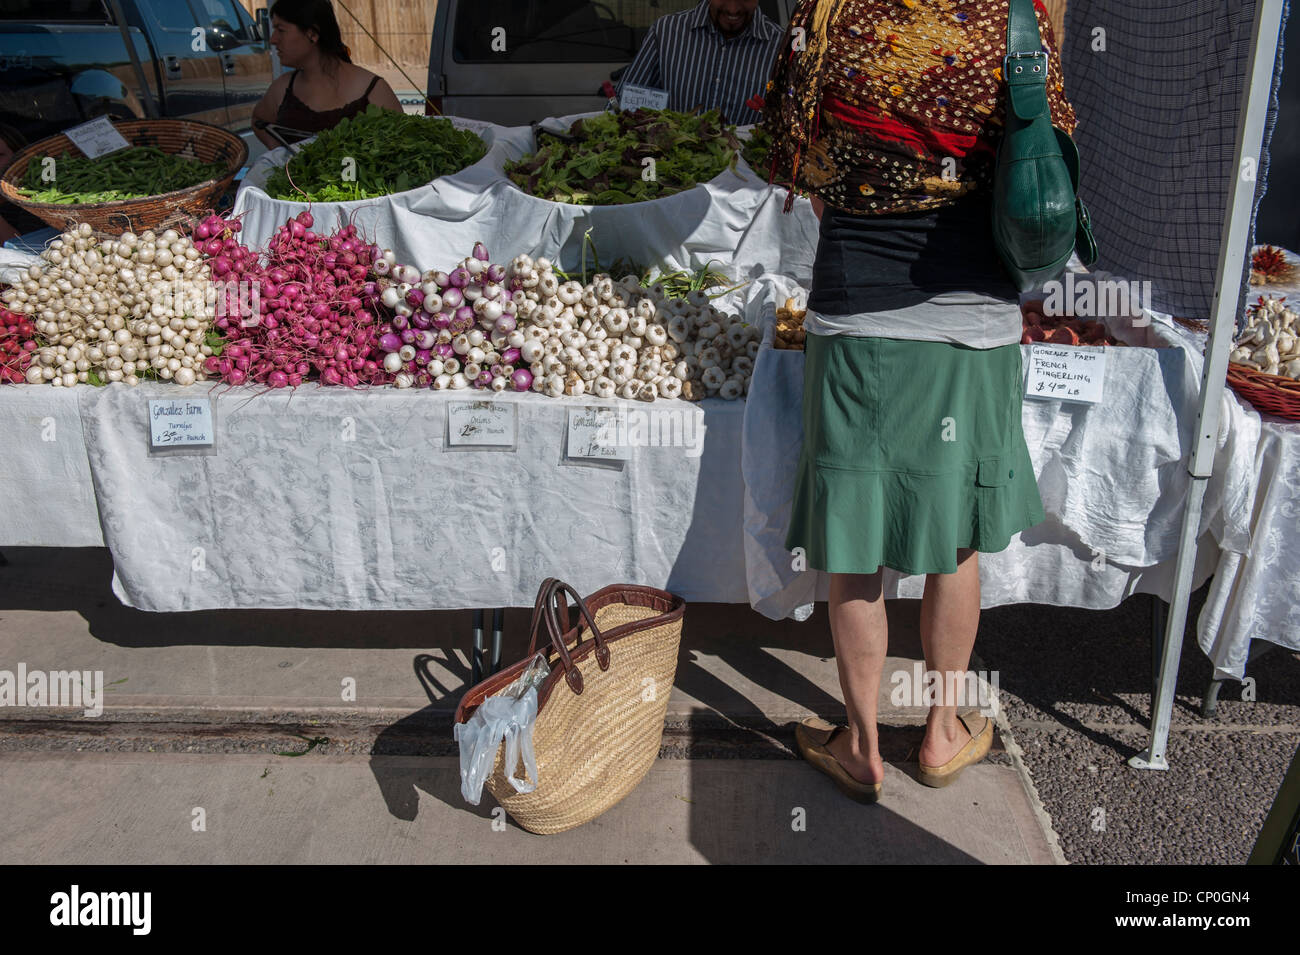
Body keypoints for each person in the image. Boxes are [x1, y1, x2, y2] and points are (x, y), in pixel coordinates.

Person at [761, 0, 1076, 801]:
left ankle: (862, 743)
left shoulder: (828, 14)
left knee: (854, 540)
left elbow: (782, 150)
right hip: (975, 311)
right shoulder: (1015, 19)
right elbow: (1055, 147)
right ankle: (941, 732)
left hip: (858, 301)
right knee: (956, 535)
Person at [252, 0, 402, 148]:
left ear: (312, 34)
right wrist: (280, 155)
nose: (273, 40)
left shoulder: (374, 91)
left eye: (281, 30)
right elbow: (258, 120)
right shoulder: (282, 88)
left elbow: (404, 144)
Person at [618, 0, 785, 125]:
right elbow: (625, 106)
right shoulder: (666, 31)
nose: (732, 9)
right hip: (673, 167)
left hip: (743, 170)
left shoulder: (782, 47)